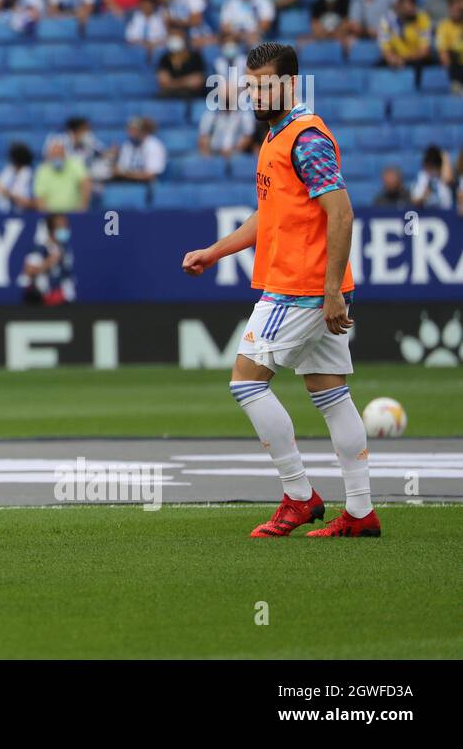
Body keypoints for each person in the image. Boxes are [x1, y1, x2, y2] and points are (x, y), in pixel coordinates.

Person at [182, 42, 378, 539]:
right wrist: (215, 251)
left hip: (300, 289)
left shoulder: (305, 138)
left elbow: (342, 212)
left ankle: (298, 495)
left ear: (290, 83)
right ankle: (359, 513)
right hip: (312, 288)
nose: (255, 94)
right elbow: (269, 215)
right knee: (330, 392)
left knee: (246, 382)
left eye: (264, 84)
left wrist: (331, 290)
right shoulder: (276, 137)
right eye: (250, 86)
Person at [21, 214, 75, 305]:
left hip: (64, 300)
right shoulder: (40, 248)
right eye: (60, 227)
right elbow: (28, 271)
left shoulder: (65, 248)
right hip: (42, 302)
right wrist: (49, 262)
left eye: (66, 226)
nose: (64, 230)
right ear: (51, 229)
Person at [409, 145, 455, 210]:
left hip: (446, 214)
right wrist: (424, 196)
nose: (431, 169)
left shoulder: (443, 175)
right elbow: (413, 201)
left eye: (433, 166)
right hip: (427, 216)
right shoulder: (421, 177)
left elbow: (448, 179)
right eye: (428, 165)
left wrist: (444, 158)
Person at [436, 0, 463, 94]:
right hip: (456, 67)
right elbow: (443, 55)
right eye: (457, 8)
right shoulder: (444, 26)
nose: (459, 11)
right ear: (450, 8)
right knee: (452, 53)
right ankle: (456, 85)